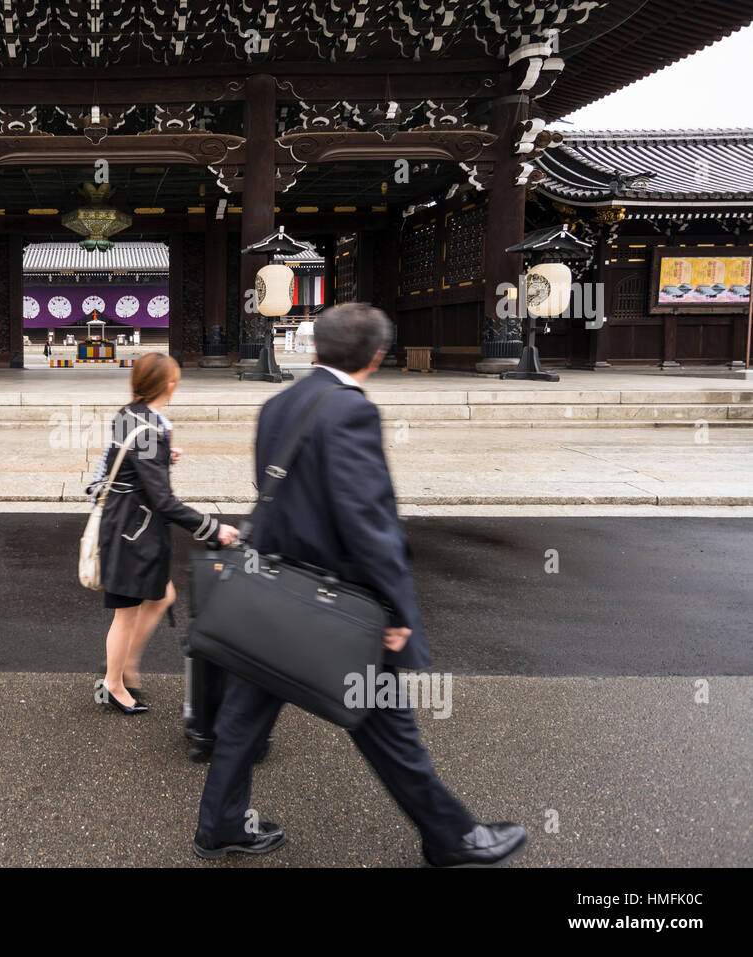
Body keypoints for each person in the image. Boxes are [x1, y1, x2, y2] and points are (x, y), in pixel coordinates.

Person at [193, 302, 528, 867]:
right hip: (336, 605)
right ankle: (453, 839)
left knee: (243, 719)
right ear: (377, 357)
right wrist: (396, 612)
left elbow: (273, 488)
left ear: (315, 349)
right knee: (389, 728)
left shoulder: (279, 403)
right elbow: (367, 522)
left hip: (271, 594)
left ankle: (221, 826)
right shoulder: (350, 411)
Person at [89, 353, 237, 715]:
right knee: (126, 612)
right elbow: (165, 502)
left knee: (161, 595)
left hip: (125, 523)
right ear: (168, 385)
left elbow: (122, 463)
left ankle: (126, 666)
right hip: (133, 532)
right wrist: (213, 528)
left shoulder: (129, 414)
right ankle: (114, 682)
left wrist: (161, 457)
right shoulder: (151, 430)